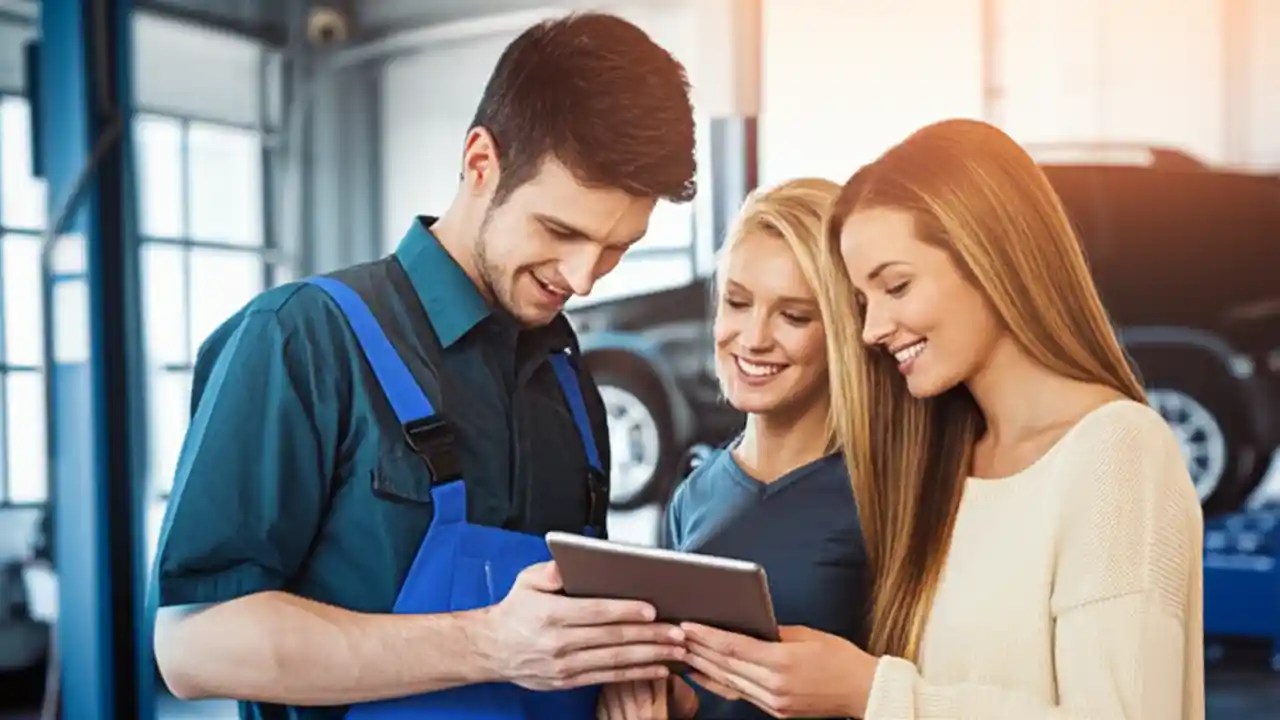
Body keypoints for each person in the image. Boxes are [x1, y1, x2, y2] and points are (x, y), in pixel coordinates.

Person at [150, 12, 698, 720]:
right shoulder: (300, 341)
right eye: (562, 231)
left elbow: (558, 643)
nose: (585, 277)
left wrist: (620, 683)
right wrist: (489, 646)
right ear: (480, 163)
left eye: (617, 245)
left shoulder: (568, 378)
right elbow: (194, 648)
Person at [676, 119, 1205, 719]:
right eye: (861, 301)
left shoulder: (1116, 451)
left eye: (896, 286)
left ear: (991, 257)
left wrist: (870, 691)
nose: (871, 330)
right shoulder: (948, 465)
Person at [598, 178, 870, 720]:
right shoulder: (695, 491)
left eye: (793, 316)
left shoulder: (877, 495)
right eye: (738, 303)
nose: (753, 338)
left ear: (841, 329)